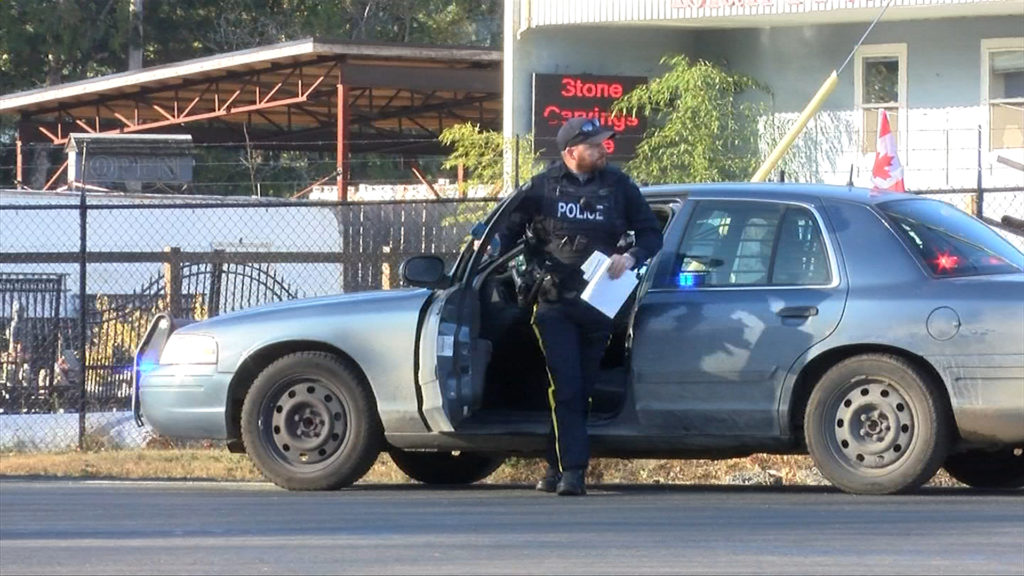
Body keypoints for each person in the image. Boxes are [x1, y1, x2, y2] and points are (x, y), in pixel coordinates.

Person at [496, 117, 663, 496]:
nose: (605, 149)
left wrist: (632, 256)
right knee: (567, 385)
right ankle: (574, 471)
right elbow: (505, 232)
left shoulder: (619, 186)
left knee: (581, 387)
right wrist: (488, 249)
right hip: (554, 302)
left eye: (605, 143)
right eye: (595, 145)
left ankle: (555, 465)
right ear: (572, 152)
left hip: (600, 302)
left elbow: (653, 235)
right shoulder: (542, 186)